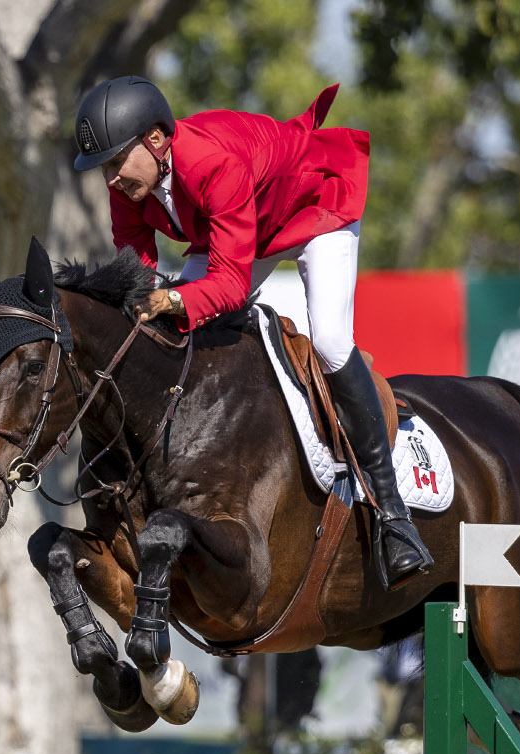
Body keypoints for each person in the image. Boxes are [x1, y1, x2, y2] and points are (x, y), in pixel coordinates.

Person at [71, 76, 431, 585]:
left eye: (114, 162)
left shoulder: (212, 163)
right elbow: (137, 270)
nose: (110, 178)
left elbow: (232, 287)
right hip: (244, 228)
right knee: (176, 332)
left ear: (155, 140)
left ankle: (393, 514)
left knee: (328, 342)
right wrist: (137, 304)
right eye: (104, 167)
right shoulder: (132, 186)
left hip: (312, 208)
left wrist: (171, 298)